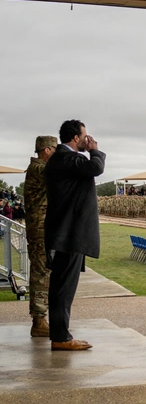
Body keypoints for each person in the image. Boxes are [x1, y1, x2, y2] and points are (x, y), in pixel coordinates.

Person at [44, 120, 105, 350]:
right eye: (85, 136)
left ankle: (60, 334)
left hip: (65, 233)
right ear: (76, 138)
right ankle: (60, 338)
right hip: (68, 234)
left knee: (62, 286)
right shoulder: (68, 158)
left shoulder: (62, 159)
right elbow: (96, 168)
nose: (87, 140)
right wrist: (95, 150)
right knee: (62, 287)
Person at [24, 135, 58, 338]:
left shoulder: (36, 169)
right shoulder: (39, 169)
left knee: (44, 271)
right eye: (54, 151)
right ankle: (39, 320)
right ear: (46, 150)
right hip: (39, 231)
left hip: (41, 229)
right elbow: (59, 175)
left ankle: (41, 318)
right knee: (41, 273)